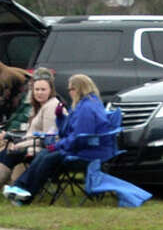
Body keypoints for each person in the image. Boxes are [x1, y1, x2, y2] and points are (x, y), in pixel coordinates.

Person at [2, 74, 110, 204]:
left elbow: (79, 137)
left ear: (78, 89)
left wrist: (58, 146)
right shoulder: (83, 105)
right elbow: (67, 131)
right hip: (79, 147)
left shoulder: (87, 108)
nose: (69, 92)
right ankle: (21, 188)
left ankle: (26, 193)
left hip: (85, 152)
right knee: (44, 154)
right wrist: (60, 118)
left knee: (48, 157)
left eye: (70, 89)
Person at [0, 68, 60, 187]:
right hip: (29, 142)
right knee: (8, 150)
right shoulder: (37, 105)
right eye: (36, 89)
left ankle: (16, 185)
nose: (39, 92)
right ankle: (13, 185)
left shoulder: (51, 107)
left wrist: (17, 142)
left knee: (9, 151)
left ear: (51, 90)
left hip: (45, 148)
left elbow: (47, 138)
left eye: (43, 90)